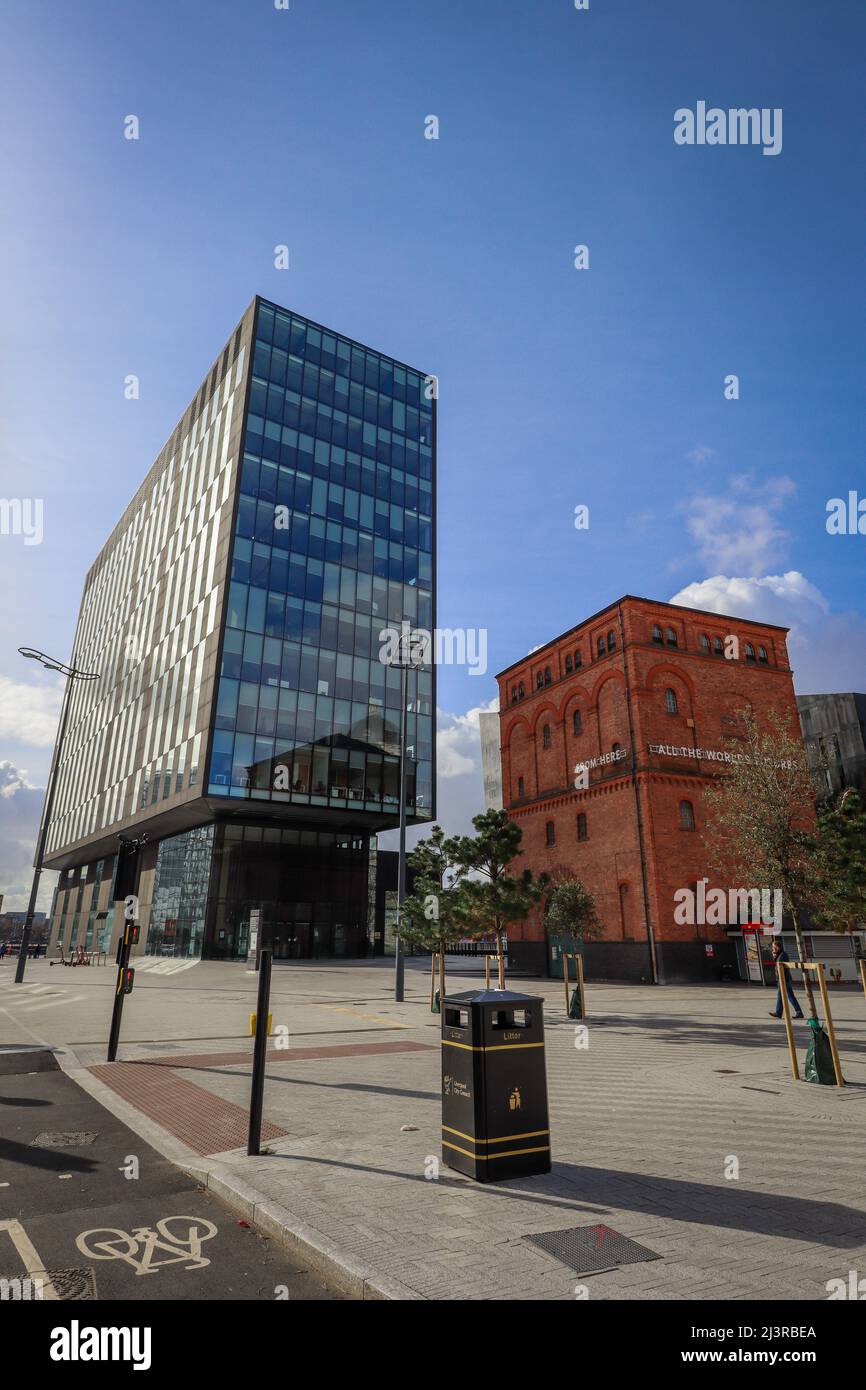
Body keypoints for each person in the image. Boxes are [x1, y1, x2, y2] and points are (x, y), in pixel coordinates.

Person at [768, 938, 804, 1019]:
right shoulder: (779, 954)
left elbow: (782, 967)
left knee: (787, 996)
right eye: (772, 947)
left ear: (778, 947)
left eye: (774, 947)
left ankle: (781, 1012)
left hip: (784, 979)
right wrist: (774, 956)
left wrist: (781, 979)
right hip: (782, 979)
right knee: (784, 996)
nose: (773, 949)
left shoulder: (783, 955)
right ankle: (781, 1012)